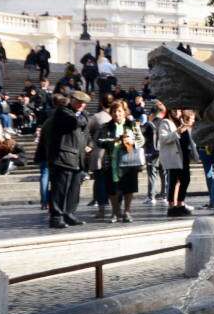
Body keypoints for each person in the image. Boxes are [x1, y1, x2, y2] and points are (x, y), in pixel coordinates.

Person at [46, 90, 90, 228]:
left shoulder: (83, 115)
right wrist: (81, 117)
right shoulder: (63, 111)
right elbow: (74, 122)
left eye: (83, 103)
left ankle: (69, 213)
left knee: (74, 188)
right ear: (71, 100)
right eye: (78, 102)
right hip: (64, 156)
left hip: (78, 157)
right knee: (60, 188)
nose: (81, 105)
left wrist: (89, 145)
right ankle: (56, 216)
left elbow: (86, 133)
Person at [96, 99, 145, 223]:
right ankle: (115, 212)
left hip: (129, 160)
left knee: (129, 187)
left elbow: (141, 140)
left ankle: (127, 212)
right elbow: (99, 141)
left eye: (119, 111)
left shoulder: (132, 124)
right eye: (114, 111)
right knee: (112, 188)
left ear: (124, 112)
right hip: (112, 161)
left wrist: (132, 142)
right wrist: (113, 141)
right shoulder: (106, 126)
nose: (116, 114)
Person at [158, 108, 195, 216]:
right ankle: (171, 206)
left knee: (185, 179)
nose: (177, 112)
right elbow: (163, 139)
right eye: (174, 110)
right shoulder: (166, 123)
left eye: (179, 110)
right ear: (170, 111)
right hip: (173, 157)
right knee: (173, 181)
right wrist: (178, 132)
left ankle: (180, 203)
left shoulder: (181, 122)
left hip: (184, 156)